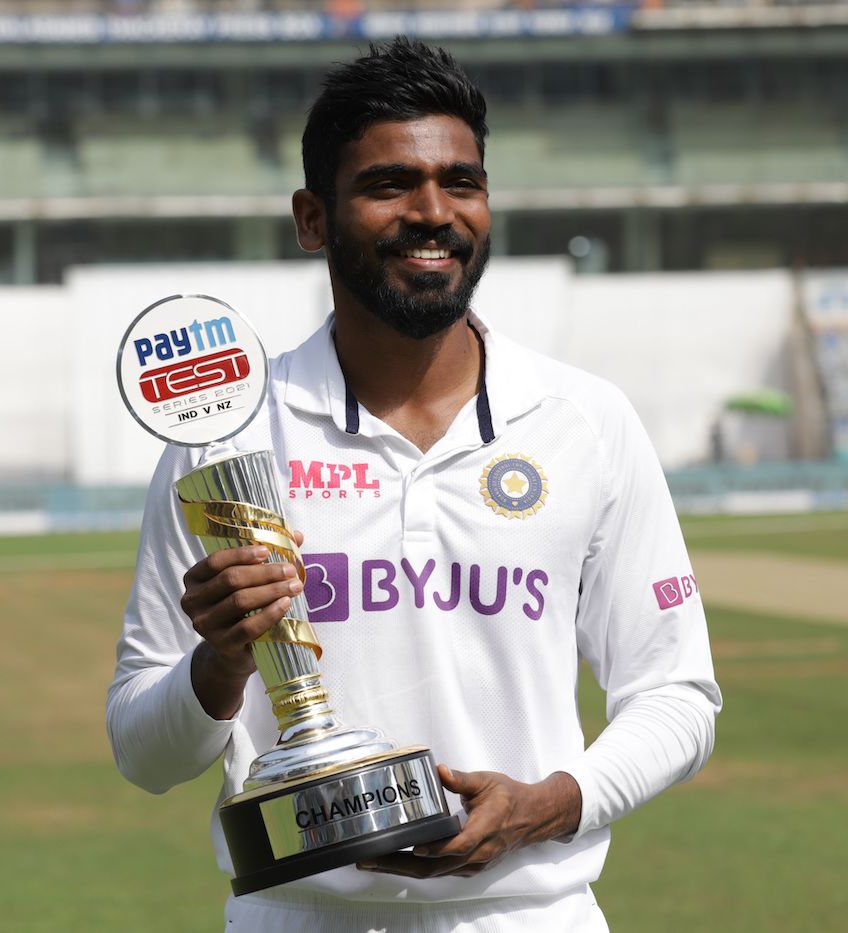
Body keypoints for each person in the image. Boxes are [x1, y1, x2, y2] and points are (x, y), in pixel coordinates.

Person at [107, 36, 721, 932]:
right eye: (390, 184)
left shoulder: (583, 420)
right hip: (301, 912)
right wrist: (221, 661)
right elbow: (143, 751)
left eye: (461, 182)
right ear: (312, 219)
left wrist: (553, 803)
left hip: (530, 914)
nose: (433, 212)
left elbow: (677, 694)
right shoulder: (226, 441)